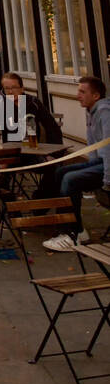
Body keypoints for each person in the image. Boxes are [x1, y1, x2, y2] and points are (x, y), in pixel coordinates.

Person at [43, 75, 110, 252]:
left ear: (95, 96)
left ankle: (70, 234)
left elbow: (108, 148)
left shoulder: (104, 111)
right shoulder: (91, 110)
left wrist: (107, 181)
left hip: (107, 164)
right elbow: (95, 147)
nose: (78, 95)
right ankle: (76, 229)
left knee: (71, 179)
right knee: (60, 172)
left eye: (82, 91)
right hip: (100, 162)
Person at [0, 71, 63, 144]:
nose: (10, 91)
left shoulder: (33, 102)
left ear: (22, 89)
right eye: (7, 88)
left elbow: (52, 127)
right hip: (8, 151)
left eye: (14, 87)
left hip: (32, 149)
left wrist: (56, 153)